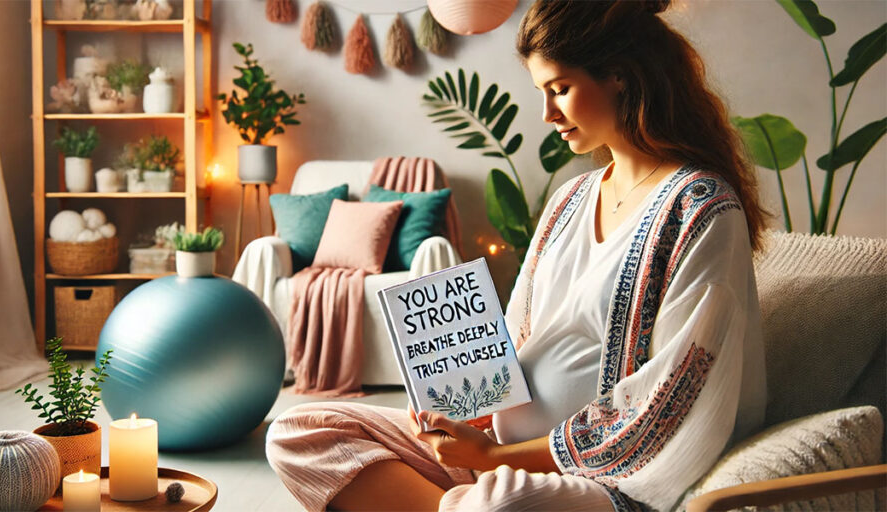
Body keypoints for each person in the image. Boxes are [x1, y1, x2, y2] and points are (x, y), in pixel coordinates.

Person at [266, 0, 770, 510]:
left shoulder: (700, 210)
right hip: (495, 455)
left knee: (499, 504)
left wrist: (491, 459)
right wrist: (468, 413)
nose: (548, 114)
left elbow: (666, 405)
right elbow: (515, 340)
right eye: (542, 93)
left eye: (560, 90)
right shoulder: (570, 199)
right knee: (300, 430)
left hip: (602, 480)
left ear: (620, 76)